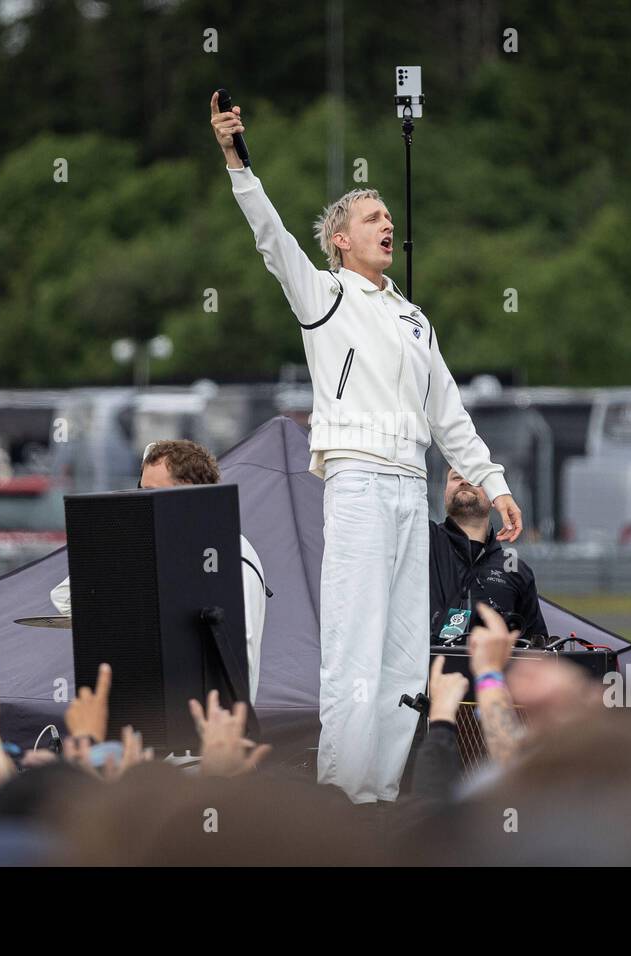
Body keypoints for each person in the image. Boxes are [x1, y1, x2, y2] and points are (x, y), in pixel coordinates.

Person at [212, 91, 522, 804]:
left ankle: (381, 799)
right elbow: (269, 237)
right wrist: (237, 158)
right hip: (355, 483)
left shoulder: (415, 319)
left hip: (411, 489)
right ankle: (342, 800)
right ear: (340, 241)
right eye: (373, 217)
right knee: (354, 650)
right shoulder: (322, 296)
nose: (389, 223)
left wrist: (493, 481)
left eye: (389, 215)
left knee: (404, 658)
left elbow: (450, 412)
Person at [50, 439, 269, 703]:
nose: (140, 501)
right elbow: (65, 597)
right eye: (140, 490)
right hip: (150, 717)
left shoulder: (232, 553)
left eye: (151, 492)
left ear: (187, 492)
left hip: (209, 724)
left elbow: (234, 657)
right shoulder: (155, 545)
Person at [429, 468, 548, 644]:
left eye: (475, 478)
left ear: (496, 497)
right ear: (444, 493)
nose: (465, 481)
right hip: (427, 670)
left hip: (491, 670)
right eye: (456, 477)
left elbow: (536, 648)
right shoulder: (421, 542)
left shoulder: (514, 568)